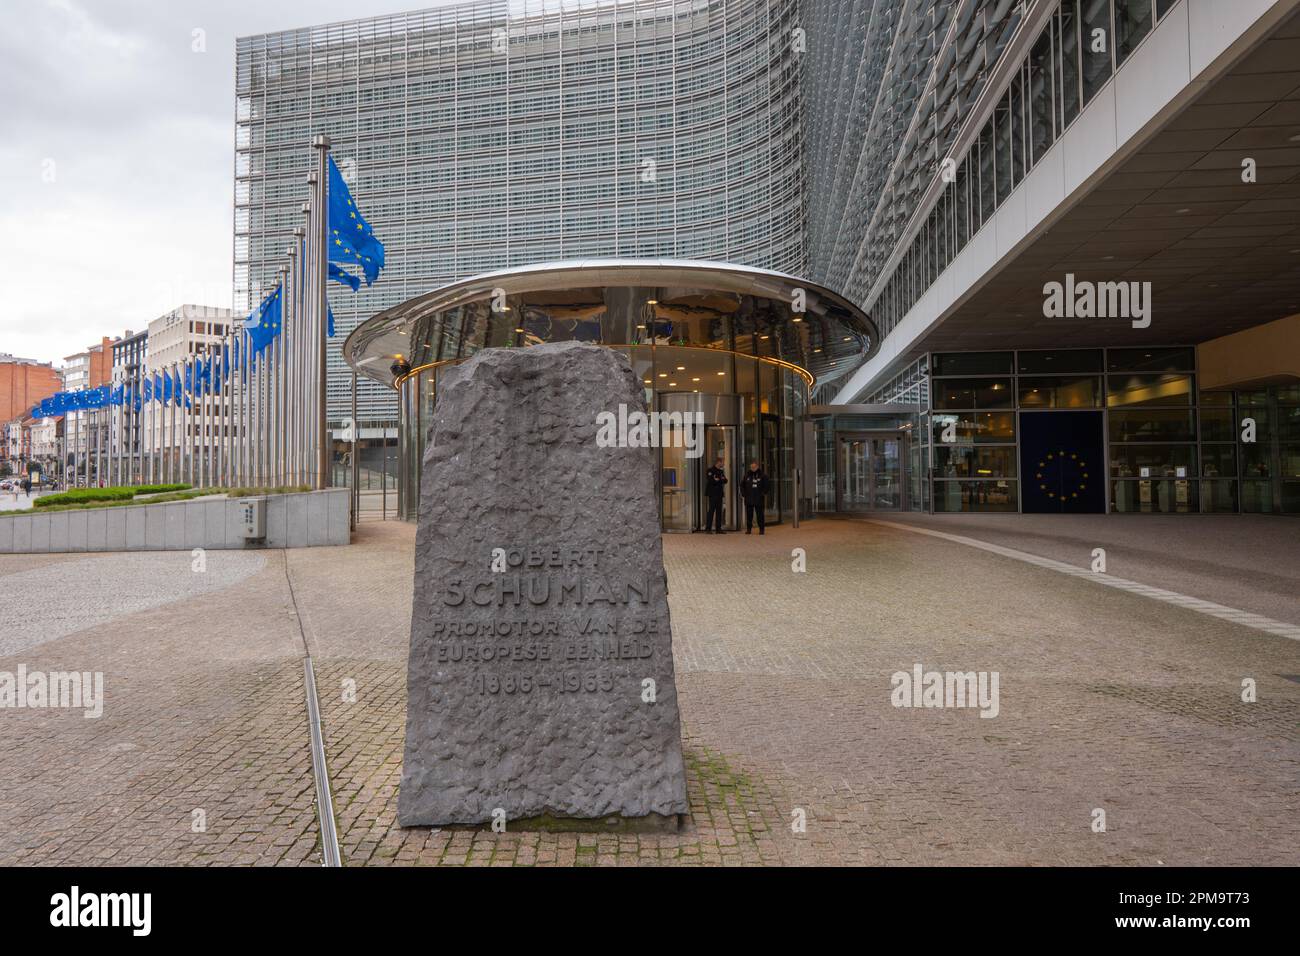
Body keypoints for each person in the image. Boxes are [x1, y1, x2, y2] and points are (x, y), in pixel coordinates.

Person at [740, 460, 769, 535]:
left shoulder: (763, 475)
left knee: (760, 515)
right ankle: (749, 529)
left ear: (757, 466)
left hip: (758, 499)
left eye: (754, 467)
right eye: (751, 467)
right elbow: (742, 485)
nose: (752, 468)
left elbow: (766, 486)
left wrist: (763, 493)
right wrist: (743, 493)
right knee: (749, 515)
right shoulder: (746, 475)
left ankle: (761, 530)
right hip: (749, 499)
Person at [704, 457, 727, 534]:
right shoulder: (710, 470)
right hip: (712, 494)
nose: (723, 463)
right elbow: (711, 480)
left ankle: (718, 529)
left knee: (719, 511)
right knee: (711, 511)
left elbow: (725, 480)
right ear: (718, 462)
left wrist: (718, 480)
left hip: (719, 494)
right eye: (722, 462)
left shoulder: (721, 471)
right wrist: (719, 480)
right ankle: (708, 529)